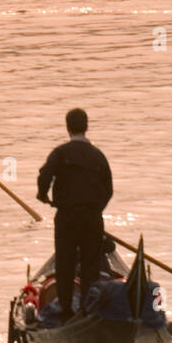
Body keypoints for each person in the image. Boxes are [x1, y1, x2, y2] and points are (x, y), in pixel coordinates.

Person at [37, 108, 113, 321]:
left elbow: (44, 176)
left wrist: (43, 195)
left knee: (65, 261)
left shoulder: (60, 153)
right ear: (86, 127)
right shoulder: (98, 156)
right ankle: (89, 309)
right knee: (90, 263)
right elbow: (108, 189)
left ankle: (66, 308)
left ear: (68, 127)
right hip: (92, 217)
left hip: (67, 216)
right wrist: (96, 209)